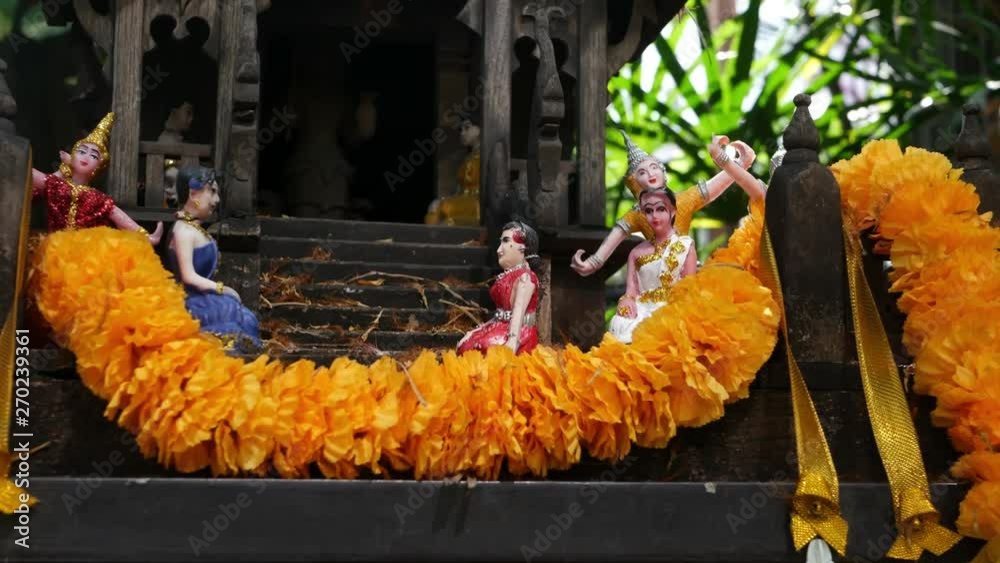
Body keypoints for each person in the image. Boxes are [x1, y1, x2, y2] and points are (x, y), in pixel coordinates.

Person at [570, 130, 761, 276]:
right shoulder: (637, 214)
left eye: (654, 168)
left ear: (663, 172)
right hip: (656, 275)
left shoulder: (682, 200)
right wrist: (592, 263)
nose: (650, 174)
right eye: (642, 172)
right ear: (634, 181)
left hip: (688, 270)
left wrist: (739, 164)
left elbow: (714, 187)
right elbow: (612, 242)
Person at [164, 166, 262, 354]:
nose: (216, 200)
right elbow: (188, 276)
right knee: (228, 309)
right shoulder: (183, 231)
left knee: (244, 315)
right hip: (189, 300)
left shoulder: (193, 229)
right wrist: (221, 288)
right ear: (193, 194)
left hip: (202, 297)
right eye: (212, 192)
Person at [31, 112, 163, 242]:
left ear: (99, 166)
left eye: (94, 156)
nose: (86, 157)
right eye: (82, 152)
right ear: (72, 156)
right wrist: (64, 170)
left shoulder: (98, 198)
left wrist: (146, 236)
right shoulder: (57, 185)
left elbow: (119, 217)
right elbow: (32, 175)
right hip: (55, 249)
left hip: (87, 252)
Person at [457, 220, 542, 355]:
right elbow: (499, 315)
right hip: (498, 326)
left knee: (484, 349)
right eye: (500, 242)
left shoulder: (526, 278)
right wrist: (477, 330)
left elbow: (518, 313)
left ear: (522, 248)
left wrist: (512, 342)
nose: (499, 250)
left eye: (506, 241)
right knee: (466, 345)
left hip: (519, 332)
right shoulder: (506, 276)